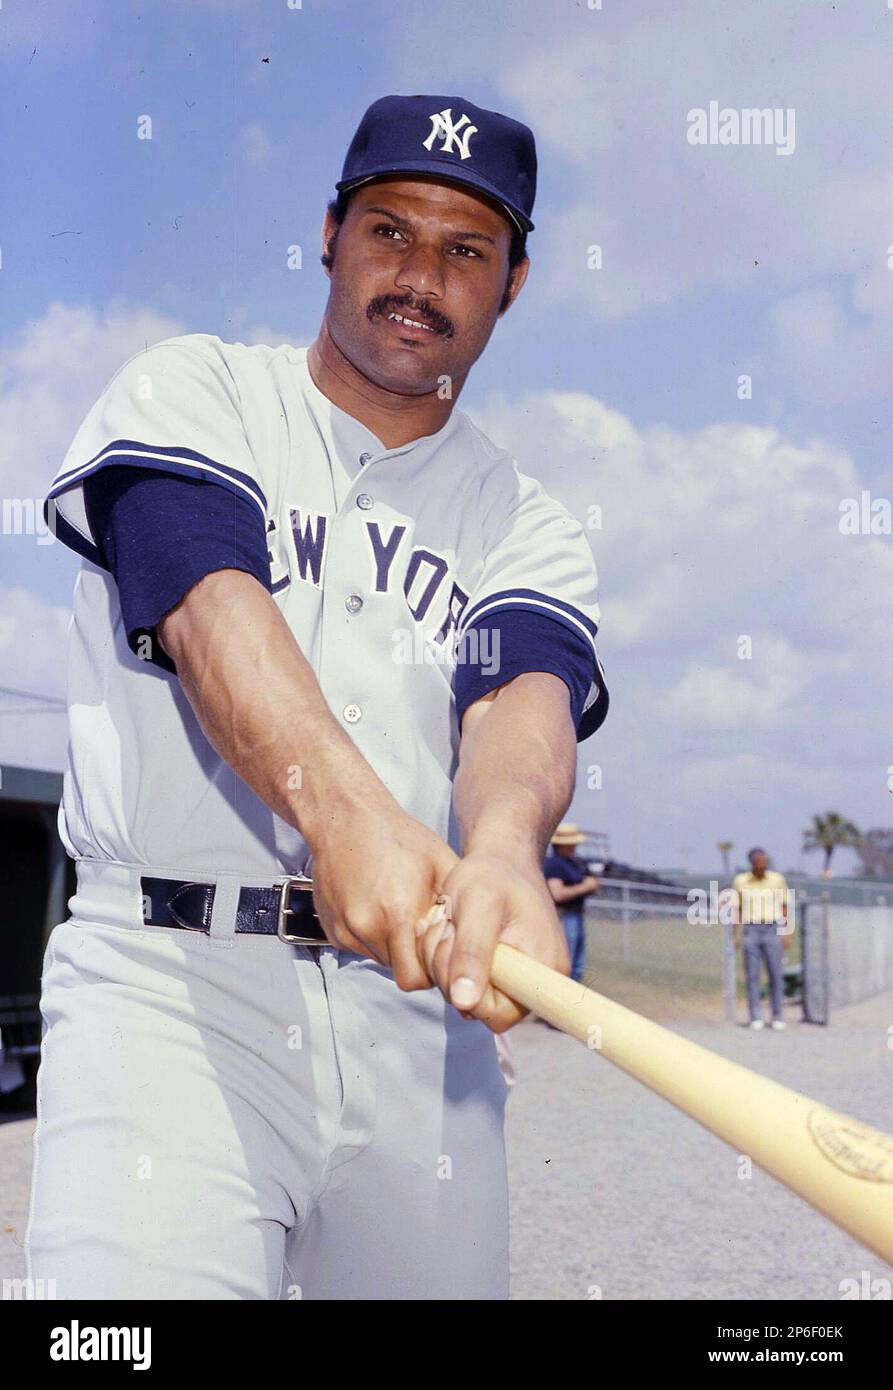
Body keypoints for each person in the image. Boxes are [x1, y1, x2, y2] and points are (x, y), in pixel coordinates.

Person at [27, 94, 609, 1300]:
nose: (419, 275)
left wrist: (503, 845)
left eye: (465, 250)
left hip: (415, 1023)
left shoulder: (526, 518)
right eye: (390, 230)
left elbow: (520, 702)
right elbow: (204, 600)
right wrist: (341, 811)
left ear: (510, 284)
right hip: (172, 986)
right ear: (331, 234)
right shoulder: (195, 391)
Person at [731, 848, 790, 1032]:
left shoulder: (776, 880)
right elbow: (738, 909)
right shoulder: (741, 881)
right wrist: (736, 934)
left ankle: (777, 1016)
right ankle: (755, 1016)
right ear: (752, 863)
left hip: (771, 929)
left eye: (765, 860)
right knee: (753, 976)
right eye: (759, 861)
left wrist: (786, 931)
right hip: (751, 930)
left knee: (775, 974)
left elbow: (784, 905)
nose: (762, 864)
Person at [544, 824, 600, 984]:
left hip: (576, 915)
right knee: (567, 962)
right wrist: (586, 886)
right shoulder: (555, 864)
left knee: (578, 963)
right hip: (565, 916)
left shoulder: (572, 863)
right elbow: (557, 894)